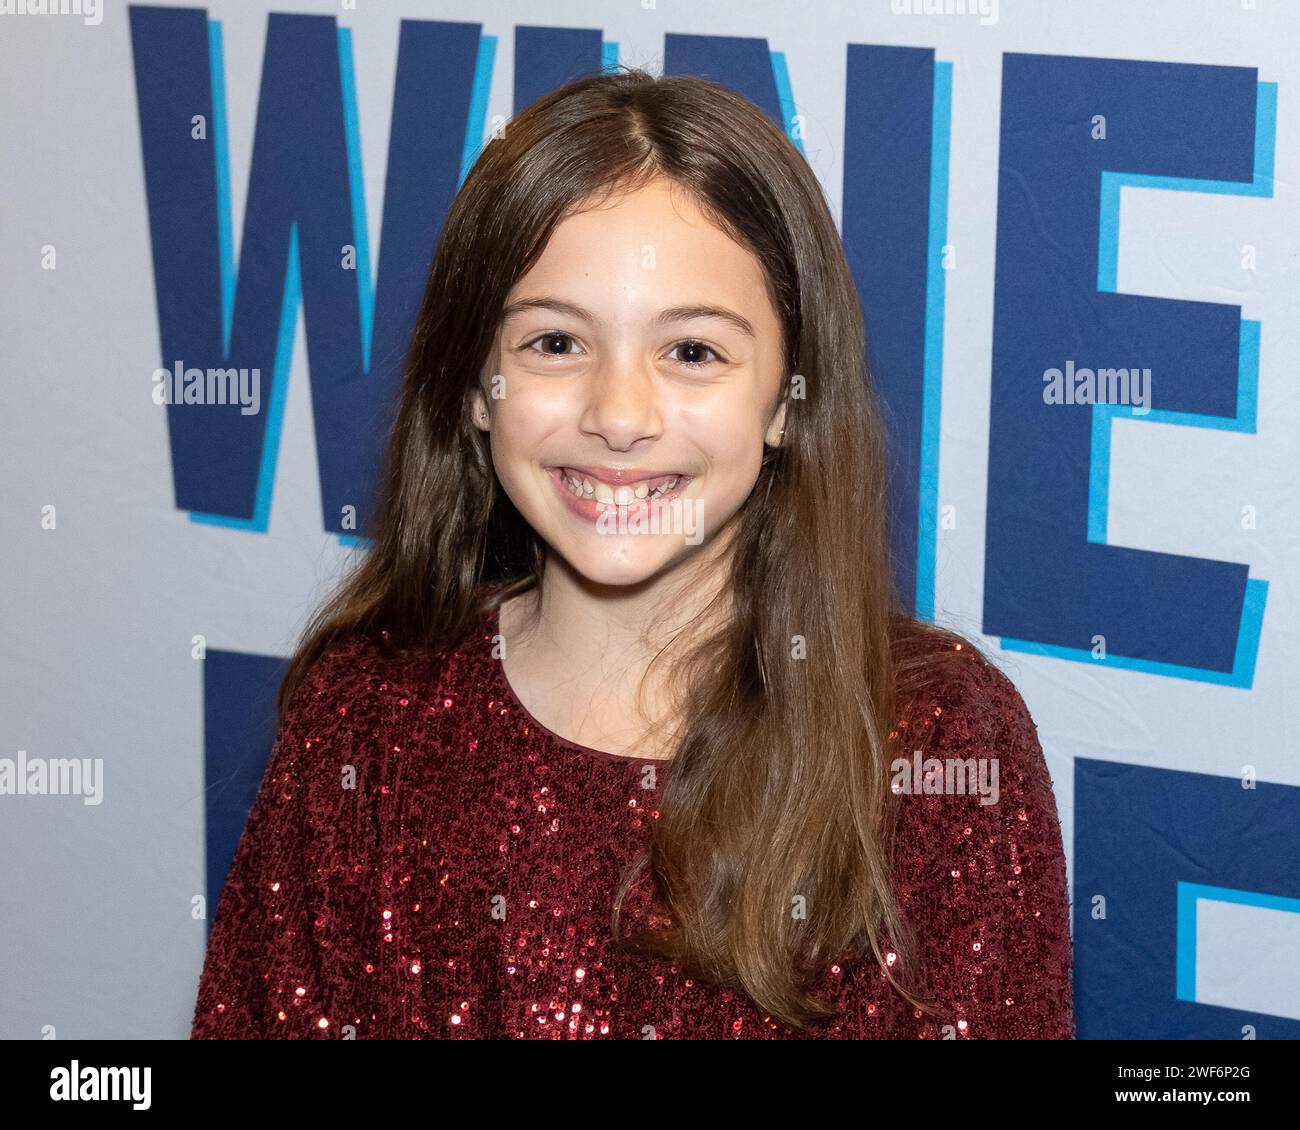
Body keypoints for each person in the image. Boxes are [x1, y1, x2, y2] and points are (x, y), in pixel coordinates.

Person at [190, 67, 1073, 1039]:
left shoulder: (935, 738)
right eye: (555, 343)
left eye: (692, 352)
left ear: (787, 399)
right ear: (478, 384)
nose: (617, 415)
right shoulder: (364, 716)